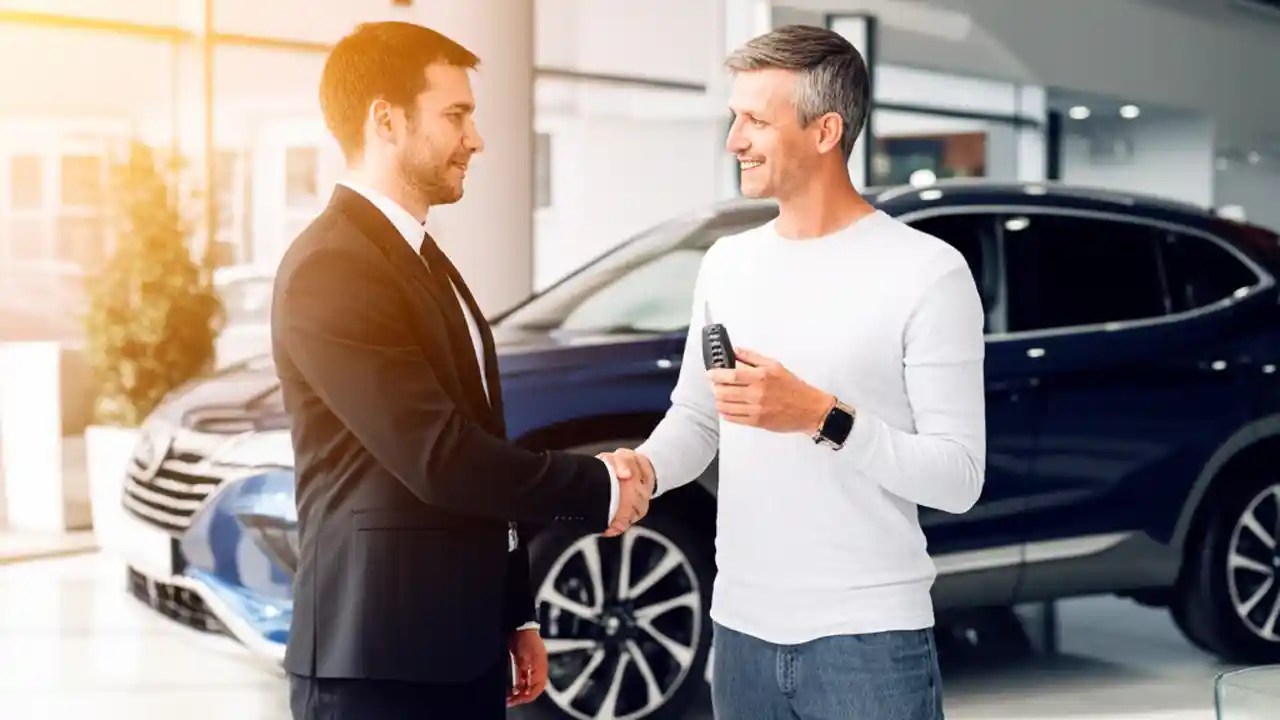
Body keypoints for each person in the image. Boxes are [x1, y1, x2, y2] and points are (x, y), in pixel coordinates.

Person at [600, 25, 986, 720]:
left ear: (825, 131)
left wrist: (820, 415)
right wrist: (646, 472)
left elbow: (958, 478)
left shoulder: (926, 271)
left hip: (868, 641)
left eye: (754, 120)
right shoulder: (727, 263)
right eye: (733, 118)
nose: (734, 141)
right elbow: (697, 416)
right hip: (742, 629)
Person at [270, 21, 652, 720]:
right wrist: (595, 486)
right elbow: (439, 457)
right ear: (385, 120)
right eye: (456, 115)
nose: (475, 139)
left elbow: (478, 434)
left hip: (459, 647)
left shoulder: (419, 258)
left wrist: (515, 612)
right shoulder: (332, 266)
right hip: (377, 661)